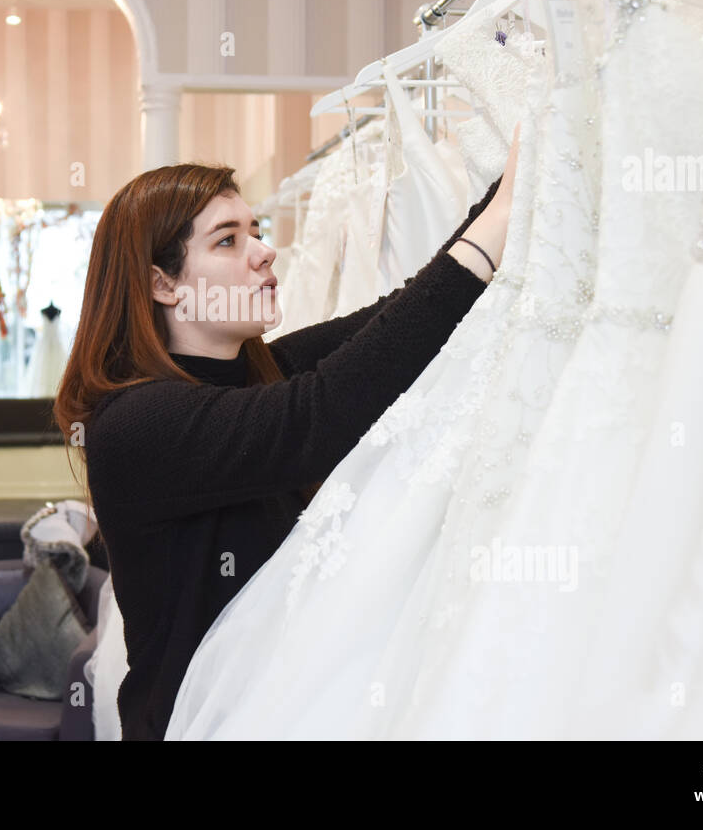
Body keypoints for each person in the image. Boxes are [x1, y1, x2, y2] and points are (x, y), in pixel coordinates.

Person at [55, 139, 517, 740]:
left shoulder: (258, 373)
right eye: (229, 240)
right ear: (163, 285)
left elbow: (399, 315)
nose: (266, 251)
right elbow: (318, 417)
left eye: (258, 230)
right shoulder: (137, 425)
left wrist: (512, 189)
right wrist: (498, 222)